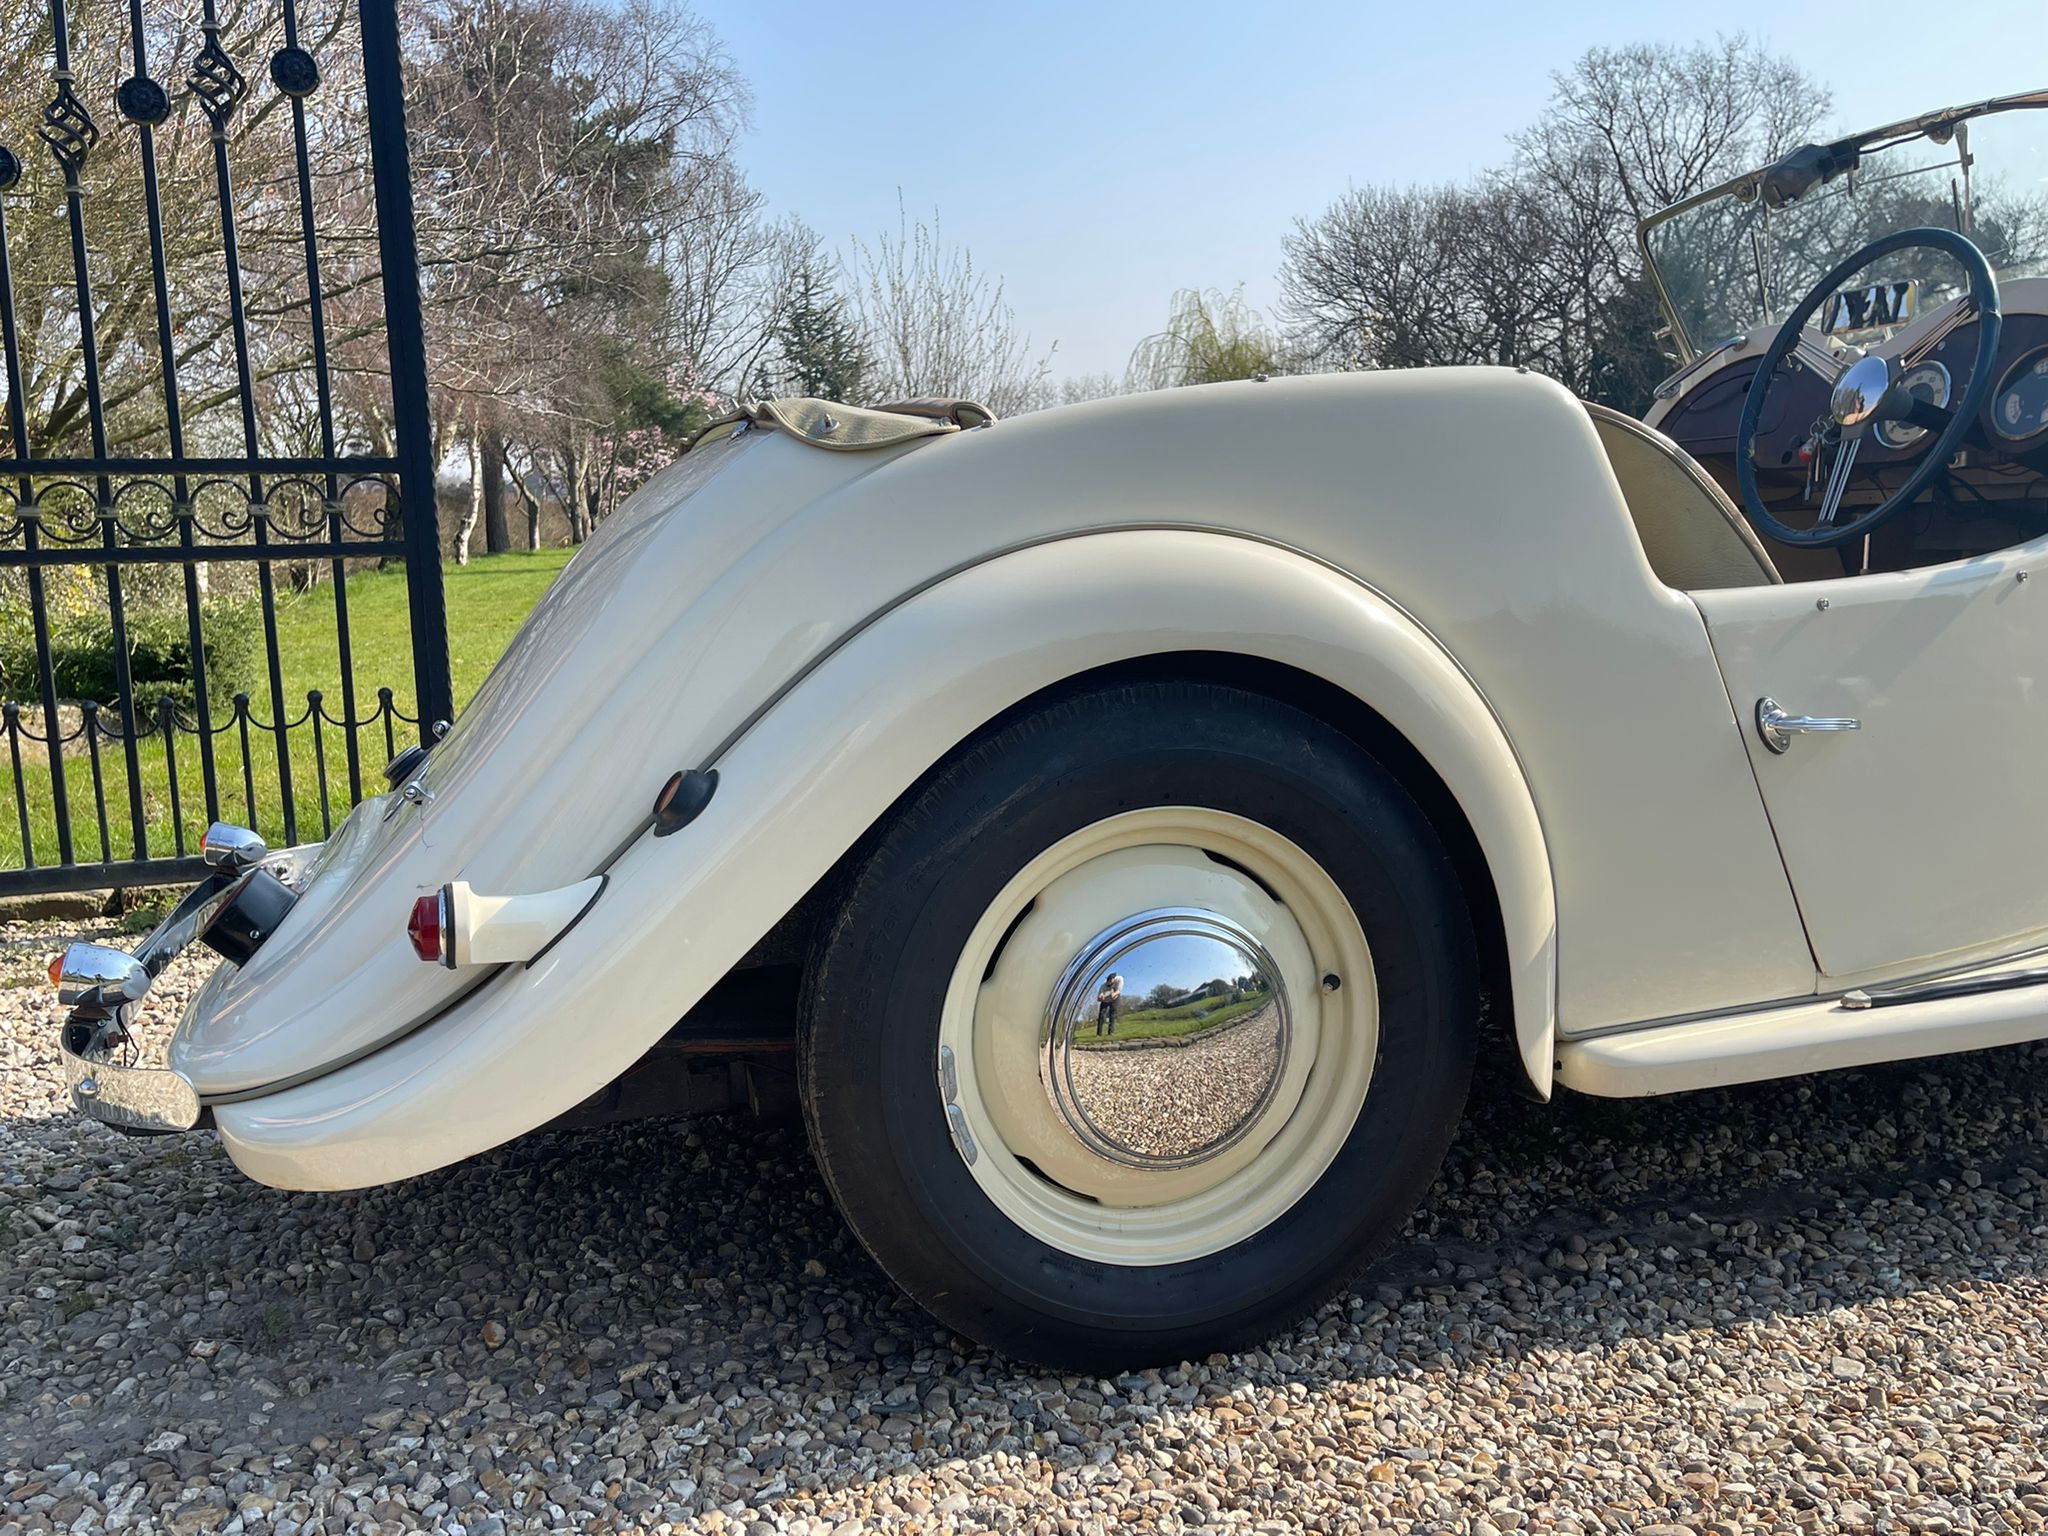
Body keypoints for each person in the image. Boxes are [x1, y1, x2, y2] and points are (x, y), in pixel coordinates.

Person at [1094, 973, 1123, 1037]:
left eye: (1111, 982)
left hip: (1115, 999)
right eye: (1108, 983)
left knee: (1112, 1014)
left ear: (1114, 979)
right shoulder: (1103, 986)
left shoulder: (1119, 979)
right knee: (1101, 1015)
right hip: (1105, 1000)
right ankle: (1099, 1034)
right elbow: (1098, 999)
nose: (1109, 984)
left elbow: (1118, 991)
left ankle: (1111, 1033)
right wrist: (1101, 997)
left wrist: (1113, 994)